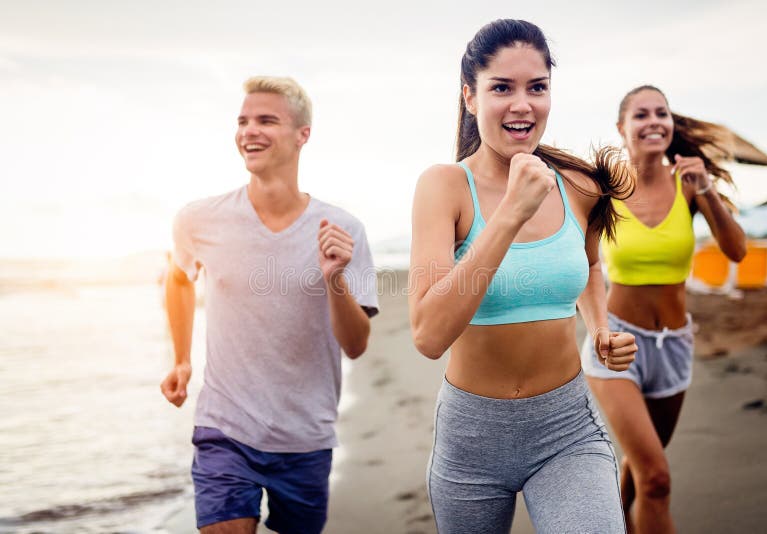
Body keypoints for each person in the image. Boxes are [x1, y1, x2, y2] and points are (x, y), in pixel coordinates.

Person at [408, 19, 638, 533]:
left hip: (567, 428)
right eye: (501, 88)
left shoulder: (577, 184)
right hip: (471, 439)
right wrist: (509, 214)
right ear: (470, 98)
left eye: (537, 87)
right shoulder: (443, 187)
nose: (522, 104)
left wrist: (599, 327)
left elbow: (591, 265)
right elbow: (428, 334)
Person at [159, 76, 379, 534]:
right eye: (242, 121)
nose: (249, 131)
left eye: (266, 120)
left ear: (303, 134)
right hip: (225, 428)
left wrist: (334, 277)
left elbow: (356, 345)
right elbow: (178, 278)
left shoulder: (343, 230)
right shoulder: (199, 219)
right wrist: (181, 359)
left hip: (306, 437)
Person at [580, 85, 747, 533]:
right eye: (641, 114)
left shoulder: (687, 186)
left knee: (642, 464)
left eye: (662, 113)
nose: (654, 121)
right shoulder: (605, 191)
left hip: (674, 345)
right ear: (622, 128)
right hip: (617, 344)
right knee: (657, 477)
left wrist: (707, 191)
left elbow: (736, 251)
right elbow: (585, 263)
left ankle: (621, 522)